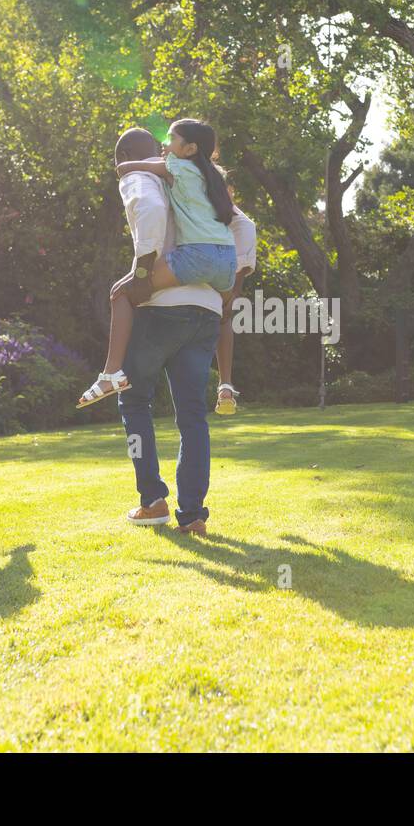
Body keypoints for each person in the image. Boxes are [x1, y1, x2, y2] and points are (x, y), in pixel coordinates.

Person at [109, 127, 256, 534]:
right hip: (206, 309)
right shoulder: (204, 182)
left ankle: (152, 500)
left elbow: (153, 216)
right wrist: (235, 281)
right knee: (192, 416)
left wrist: (141, 271)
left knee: (134, 402)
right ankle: (192, 516)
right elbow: (246, 226)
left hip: (163, 308)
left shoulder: (141, 176)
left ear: (122, 156)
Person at [77, 118, 239, 410]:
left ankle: (111, 372)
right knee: (225, 313)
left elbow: (135, 167)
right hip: (227, 259)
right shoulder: (213, 175)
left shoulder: (176, 166)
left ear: (189, 149)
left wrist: (125, 167)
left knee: (120, 292)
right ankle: (225, 382)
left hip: (197, 256)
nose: (165, 146)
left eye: (171, 140)